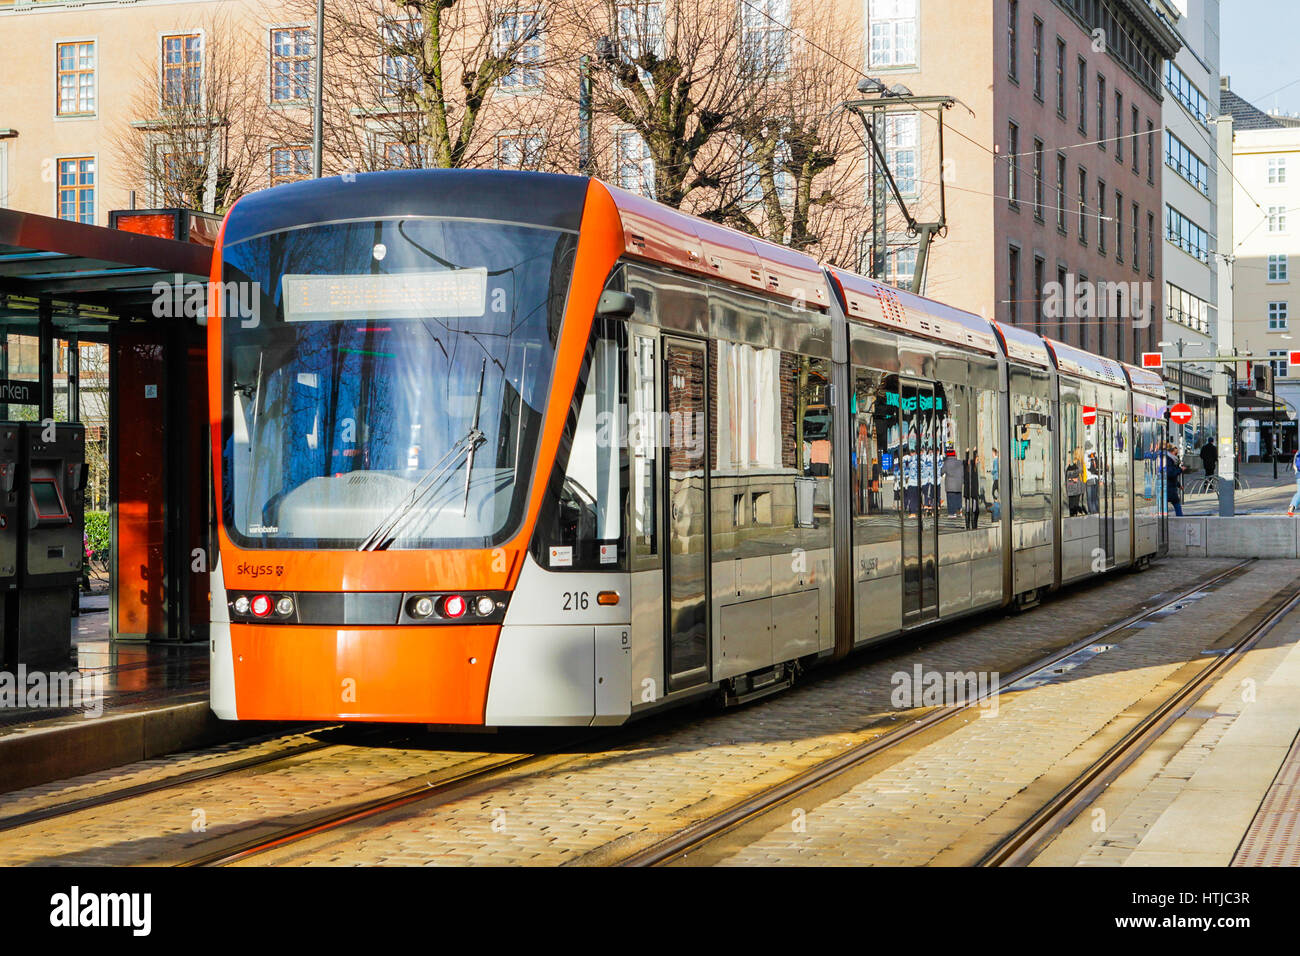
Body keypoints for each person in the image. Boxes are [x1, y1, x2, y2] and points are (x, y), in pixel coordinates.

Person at [943, 449, 964, 516]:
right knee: (958, 497)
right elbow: (963, 473)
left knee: (950, 499)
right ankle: (959, 510)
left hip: (950, 485)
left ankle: (952, 513)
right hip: (958, 484)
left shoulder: (946, 463)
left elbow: (942, 471)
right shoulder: (960, 462)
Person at [1166, 441, 1184, 517]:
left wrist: (1179, 485)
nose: (1177, 455)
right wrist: (1180, 470)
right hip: (1169, 486)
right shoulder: (1169, 460)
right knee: (1176, 503)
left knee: (1174, 503)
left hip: (1170, 485)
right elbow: (1171, 474)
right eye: (1176, 453)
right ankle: (1180, 519)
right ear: (1172, 452)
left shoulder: (1171, 460)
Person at [1289, 447, 1300, 516]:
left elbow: (1294, 464)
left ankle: (1292, 506)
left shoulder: (1298, 452)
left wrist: (1296, 471)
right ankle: (1292, 506)